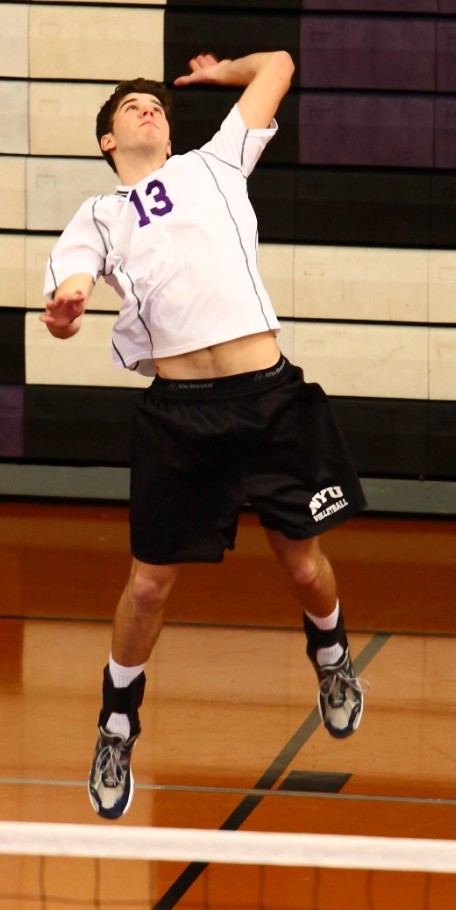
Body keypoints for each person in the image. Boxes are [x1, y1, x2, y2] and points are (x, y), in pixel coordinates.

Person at [41, 50, 367, 820]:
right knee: (149, 584)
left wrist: (225, 72)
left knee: (301, 564)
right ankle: (118, 721)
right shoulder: (99, 214)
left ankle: (333, 655)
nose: (148, 110)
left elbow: (283, 65)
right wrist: (68, 303)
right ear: (108, 142)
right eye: (130, 108)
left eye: (155, 104)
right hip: (181, 418)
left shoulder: (217, 162)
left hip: (269, 400)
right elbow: (73, 280)